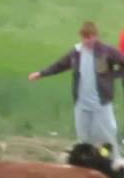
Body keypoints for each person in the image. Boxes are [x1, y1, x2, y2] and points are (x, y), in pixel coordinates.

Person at [29, 21, 124, 158]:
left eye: (89, 37)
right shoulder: (76, 53)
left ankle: (115, 164)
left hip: (101, 103)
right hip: (82, 104)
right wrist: (41, 74)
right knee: (84, 138)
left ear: (95, 36)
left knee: (107, 136)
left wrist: (112, 76)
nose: (87, 41)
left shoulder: (106, 52)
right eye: (84, 37)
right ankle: (86, 164)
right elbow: (60, 65)